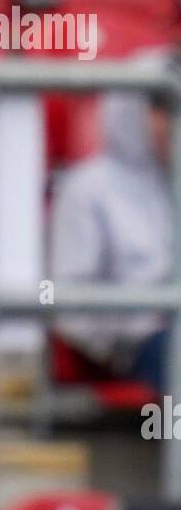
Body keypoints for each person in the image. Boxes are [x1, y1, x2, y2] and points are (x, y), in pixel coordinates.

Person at [50, 87, 174, 394]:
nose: (170, 121)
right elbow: (68, 302)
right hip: (136, 346)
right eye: (160, 108)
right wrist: (133, 327)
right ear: (130, 109)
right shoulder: (88, 186)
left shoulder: (173, 180)